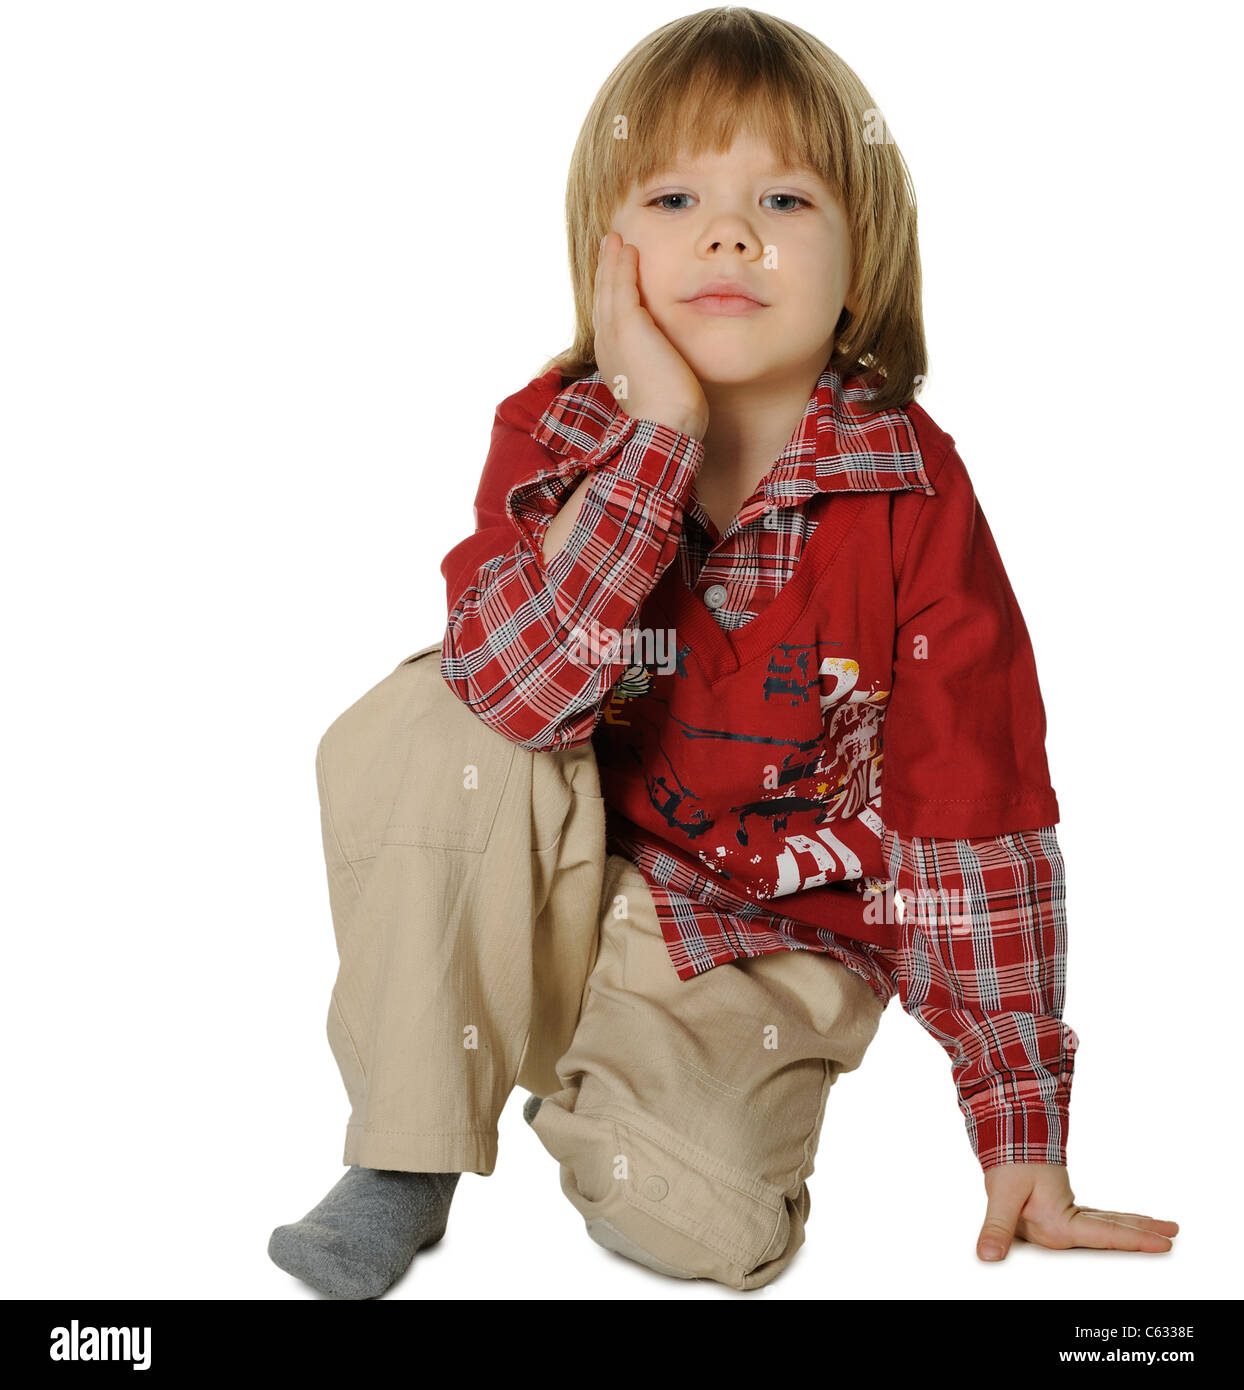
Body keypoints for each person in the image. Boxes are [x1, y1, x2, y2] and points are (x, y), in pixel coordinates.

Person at [268, 6, 1178, 1298]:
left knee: (695, 1227)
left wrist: (1017, 1120)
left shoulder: (910, 485)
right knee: (431, 718)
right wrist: (658, 434)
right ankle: (408, 1146)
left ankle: (601, 1072)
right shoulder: (554, 432)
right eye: (679, 193)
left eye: (787, 200)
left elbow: (972, 798)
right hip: (556, 866)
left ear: (864, 262)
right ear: (608, 252)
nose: (730, 232)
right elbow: (522, 693)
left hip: (760, 938)